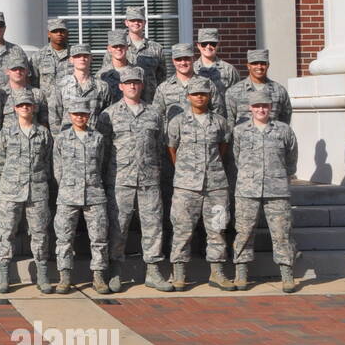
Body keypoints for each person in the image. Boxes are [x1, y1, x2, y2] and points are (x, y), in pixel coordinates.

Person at [103, 66, 173, 292]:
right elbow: (102, 150)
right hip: (120, 179)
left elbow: (161, 147)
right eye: (128, 82)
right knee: (118, 226)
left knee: (153, 225)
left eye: (136, 82)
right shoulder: (109, 114)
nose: (132, 86)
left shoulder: (154, 113)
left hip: (149, 180)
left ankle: (153, 270)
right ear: (121, 86)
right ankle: (115, 269)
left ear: (142, 85)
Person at [166, 78, 235, 291]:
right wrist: (187, 172)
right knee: (182, 229)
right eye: (195, 94)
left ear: (209, 96)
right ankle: (179, 274)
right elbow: (172, 149)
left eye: (203, 94)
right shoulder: (177, 122)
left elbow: (222, 148)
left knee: (217, 228)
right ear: (188, 97)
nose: (199, 97)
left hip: (215, 186)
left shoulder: (220, 122)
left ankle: (217, 272)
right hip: (186, 187)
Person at [231, 87, 299, 292]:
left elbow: (291, 159)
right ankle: (241, 272)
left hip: (276, 189)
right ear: (250, 108)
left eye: (265, 106)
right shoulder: (240, 131)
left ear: (271, 107)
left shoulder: (283, 130)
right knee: (243, 232)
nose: (261, 109)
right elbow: (236, 158)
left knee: (282, 233)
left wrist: (280, 175)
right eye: (257, 106)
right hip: (247, 190)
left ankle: (287, 274)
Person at [0, 89, 53, 294]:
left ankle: (42, 275)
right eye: (21, 105)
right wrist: (10, 181)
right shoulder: (6, 133)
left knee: (40, 233)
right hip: (10, 192)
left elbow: (47, 161)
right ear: (15, 109)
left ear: (34, 108)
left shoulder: (43, 133)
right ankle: (4, 276)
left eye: (28, 105)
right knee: (6, 232)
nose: (25, 108)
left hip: (37, 191)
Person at [52, 99, 110, 294]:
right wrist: (68, 186)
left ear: (89, 116)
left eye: (83, 114)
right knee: (64, 238)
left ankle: (99, 276)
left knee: (99, 237)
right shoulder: (61, 138)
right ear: (70, 116)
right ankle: (65, 275)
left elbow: (101, 163)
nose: (80, 117)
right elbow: (57, 168)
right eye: (76, 114)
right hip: (68, 194)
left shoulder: (98, 138)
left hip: (94, 193)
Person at [48, 44, 114, 134]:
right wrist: (57, 138)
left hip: (94, 139)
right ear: (71, 60)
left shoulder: (102, 86)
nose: (82, 59)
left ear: (91, 58)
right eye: (77, 56)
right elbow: (54, 115)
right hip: (68, 139)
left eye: (85, 56)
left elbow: (108, 115)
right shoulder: (61, 85)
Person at [154, 43, 223, 127]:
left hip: (201, 137)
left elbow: (218, 113)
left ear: (193, 59)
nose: (183, 62)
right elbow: (157, 117)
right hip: (173, 138)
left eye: (186, 58)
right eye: (178, 59)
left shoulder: (207, 84)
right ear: (173, 61)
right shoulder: (163, 88)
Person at [226, 48, 292, 127]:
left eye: (263, 63)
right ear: (248, 66)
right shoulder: (234, 91)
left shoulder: (279, 90)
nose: (259, 67)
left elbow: (285, 120)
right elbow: (230, 122)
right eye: (255, 63)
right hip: (244, 138)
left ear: (268, 65)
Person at [99, 29, 155, 103]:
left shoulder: (138, 73)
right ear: (109, 49)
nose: (118, 49)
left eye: (121, 46)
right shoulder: (101, 75)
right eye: (115, 46)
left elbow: (147, 99)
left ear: (127, 47)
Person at [119, 5, 166, 86]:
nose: (136, 23)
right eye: (132, 20)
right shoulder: (118, 47)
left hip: (150, 97)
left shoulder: (156, 48)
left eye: (139, 20)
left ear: (145, 23)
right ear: (126, 23)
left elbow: (161, 78)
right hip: (125, 95)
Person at [31, 18, 71, 94]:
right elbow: (33, 85)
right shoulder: (38, 56)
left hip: (71, 103)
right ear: (48, 34)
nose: (59, 34)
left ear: (67, 33)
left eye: (62, 31)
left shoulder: (75, 56)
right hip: (47, 104)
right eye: (55, 31)